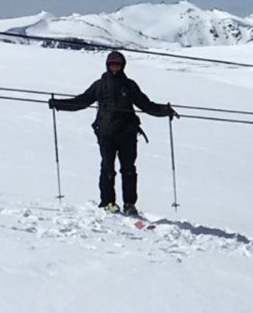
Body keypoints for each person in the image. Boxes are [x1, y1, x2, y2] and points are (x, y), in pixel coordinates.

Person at [49, 50, 179, 215]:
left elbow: (146, 105)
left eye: (117, 64)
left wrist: (165, 110)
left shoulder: (129, 85)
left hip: (127, 134)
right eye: (112, 64)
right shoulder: (100, 85)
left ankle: (129, 204)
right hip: (106, 134)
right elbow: (81, 101)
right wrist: (58, 104)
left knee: (129, 170)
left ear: (123, 65)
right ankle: (108, 202)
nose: (114, 67)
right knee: (108, 169)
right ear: (107, 65)